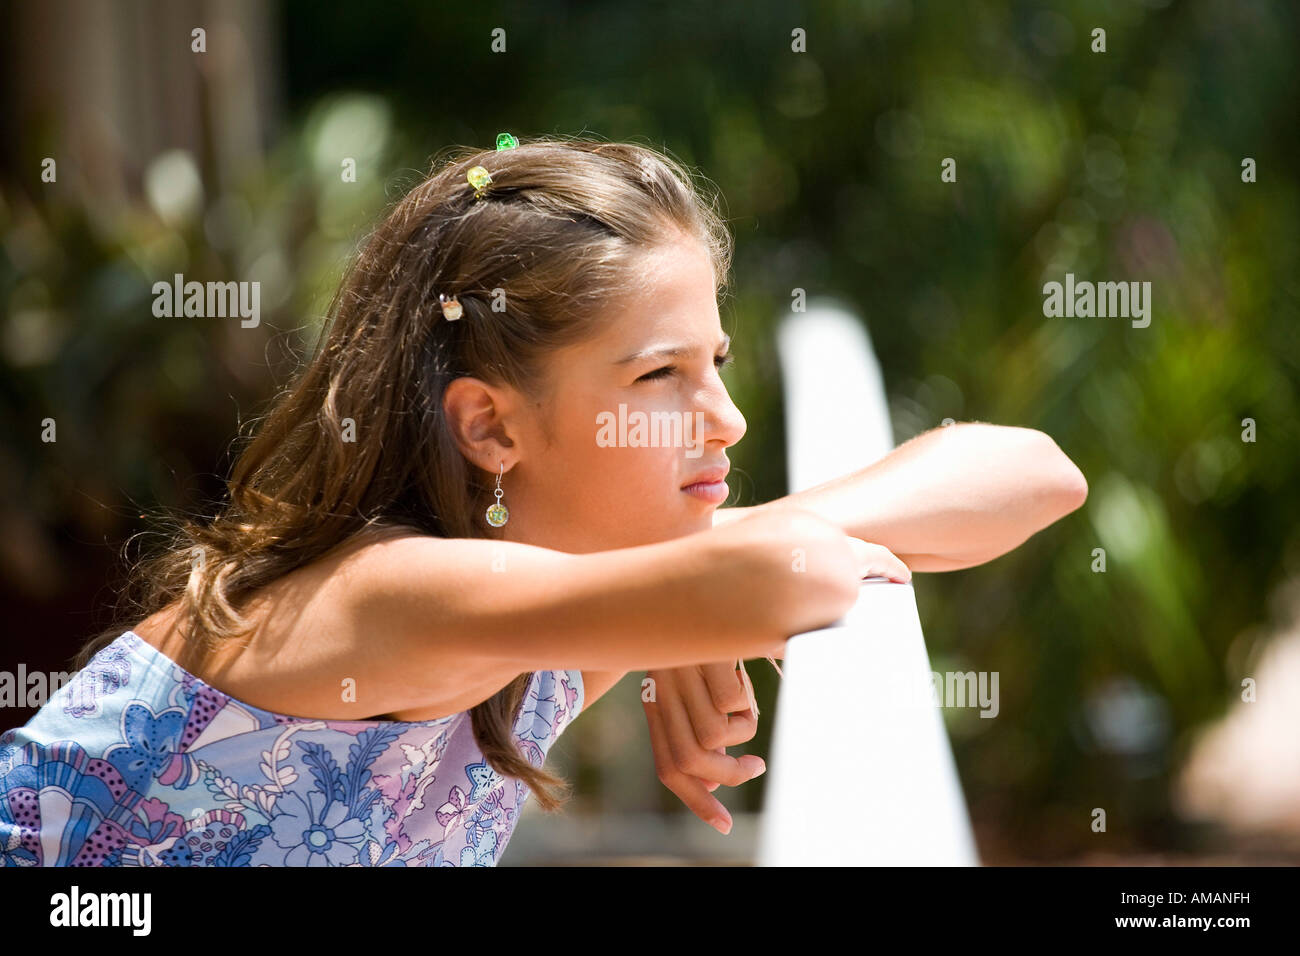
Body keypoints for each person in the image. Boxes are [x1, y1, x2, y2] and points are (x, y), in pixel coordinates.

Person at [0, 135, 1087, 867]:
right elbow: (798, 573)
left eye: (718, 361)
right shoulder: (397, 594)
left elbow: (1035, 474)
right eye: (659, 377)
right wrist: (688, 606)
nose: (726, 416)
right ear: (489, 426)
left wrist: (682, 600)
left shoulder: (553, 612)